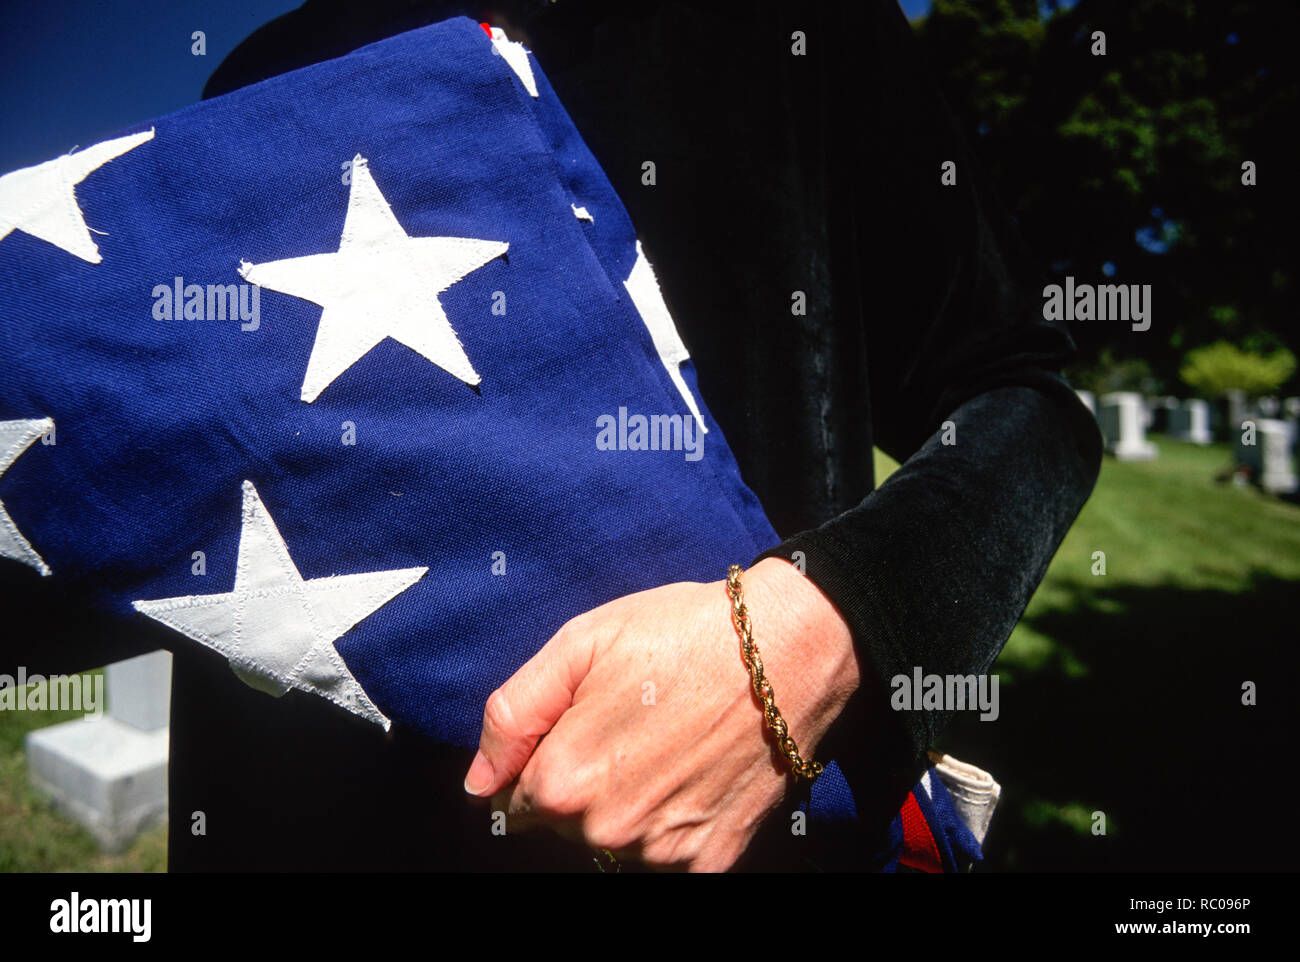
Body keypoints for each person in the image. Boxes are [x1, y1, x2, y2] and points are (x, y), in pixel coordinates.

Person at [16, 0, 1100, 872]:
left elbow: (1020, 390)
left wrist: (828, 619)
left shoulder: (801, 31)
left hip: (743, 830)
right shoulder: (269, 62)